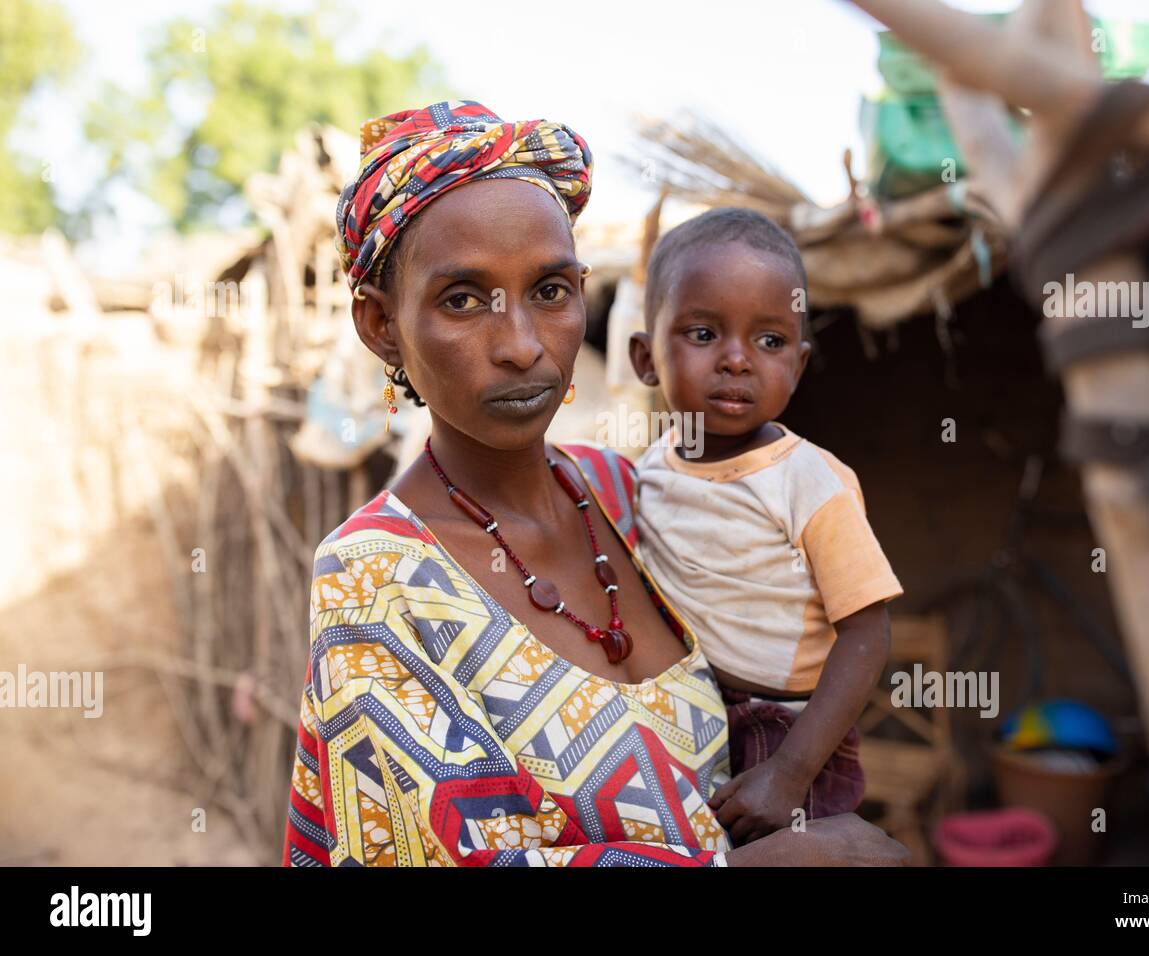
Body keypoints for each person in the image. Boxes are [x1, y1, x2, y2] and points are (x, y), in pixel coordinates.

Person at [281, 101, 908, 867]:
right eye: (462, 299)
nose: (521, 346)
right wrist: (802, 860)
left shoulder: (628, 493)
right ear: (381, 326)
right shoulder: (373, 581)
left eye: (549, 291)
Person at [629, 207, 904, 846]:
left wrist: (787, 773)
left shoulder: (810, 480)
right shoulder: (647, 470)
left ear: (799, 366)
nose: (736, 360)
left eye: (770, 341)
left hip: (789, 731)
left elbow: (866, 633)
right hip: (687, 715)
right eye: (702, 334)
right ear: (646, 358)